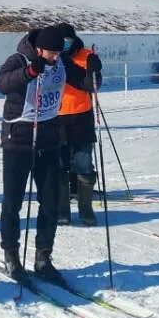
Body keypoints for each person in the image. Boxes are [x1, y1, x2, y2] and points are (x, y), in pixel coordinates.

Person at [0, 25, 69, 283]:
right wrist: (28, 72)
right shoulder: (18, 59)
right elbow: (1, 83)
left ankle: (43, 257)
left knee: (51, 202)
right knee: (13, 202)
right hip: (18, 141)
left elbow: (84, 81)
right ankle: (12, 256)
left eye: (59, 53)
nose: (56, 58)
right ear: (39, 49)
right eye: (51, 53)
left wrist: (94, 68)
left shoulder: (59, 60)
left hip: (48, 140)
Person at [55, 23, 103, 227]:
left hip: (81, 117)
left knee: (83, 163)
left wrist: (68, 64)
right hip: (56, 118)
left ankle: (86, 209)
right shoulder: (51, 56)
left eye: (68, 41)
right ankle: (62, 210)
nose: (65, 45)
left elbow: (90, 84)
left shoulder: (86, 56)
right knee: (59, 166)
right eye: (61, 42)